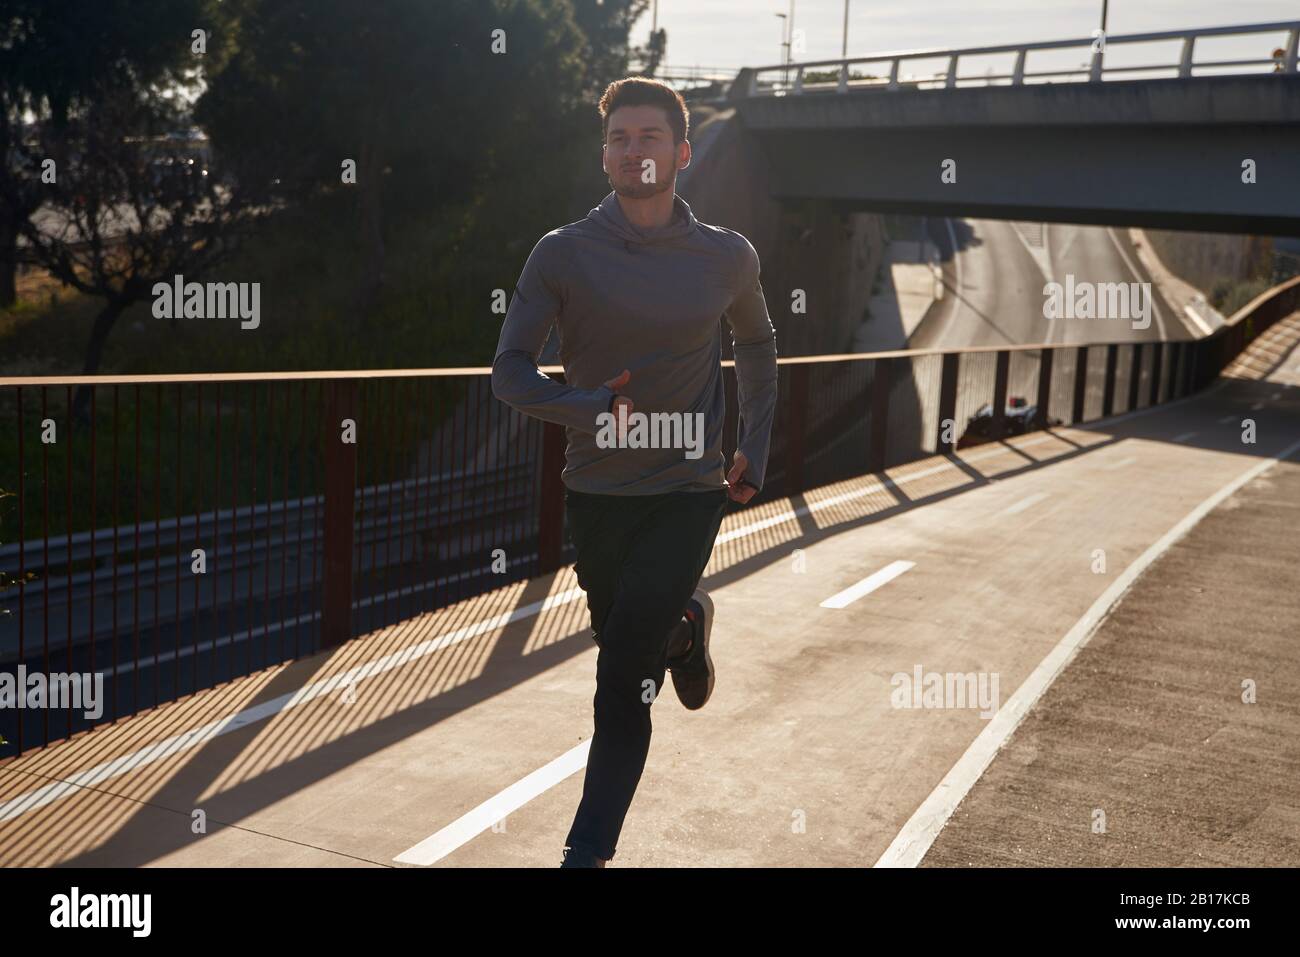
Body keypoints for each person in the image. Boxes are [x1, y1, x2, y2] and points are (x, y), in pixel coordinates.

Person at [490, 77, 778, 868]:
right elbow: (508, 372)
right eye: (620, 138)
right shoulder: (563, 253)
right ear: (604, 155)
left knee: (620, 679)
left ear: (682, 154)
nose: (633, 150)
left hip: (689, 490)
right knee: (628, 641)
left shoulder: (726, 256)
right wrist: (585, 406)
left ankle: (586, 851)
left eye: (650, 137)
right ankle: (686, 628)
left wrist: (756, 435)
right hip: (598, 493)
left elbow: (756, 343)